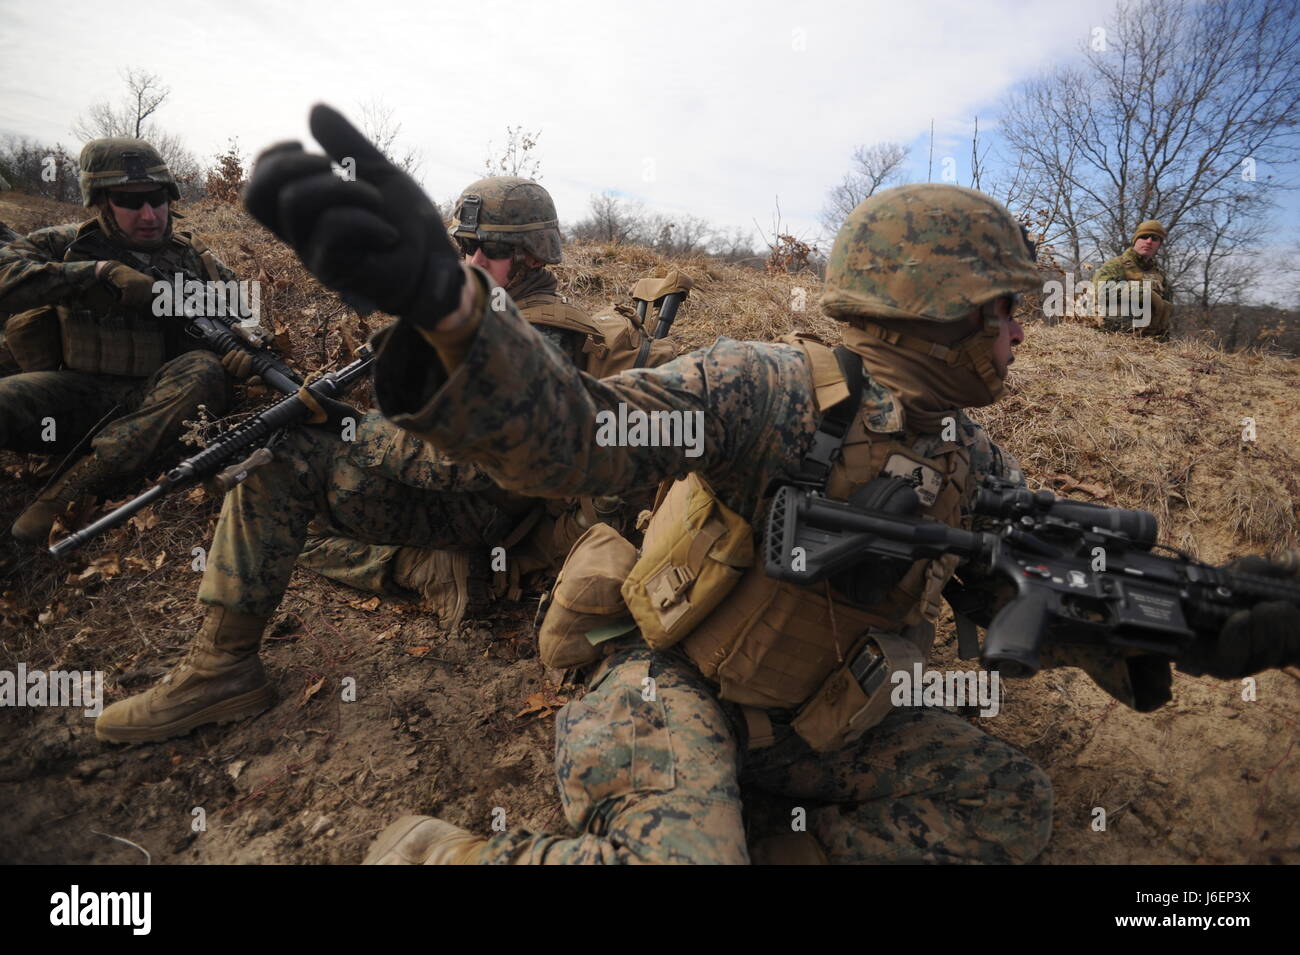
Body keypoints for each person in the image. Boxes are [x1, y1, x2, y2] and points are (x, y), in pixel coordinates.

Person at [243, 106, 1300, 864]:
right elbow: (581, 439)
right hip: (670, 691)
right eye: (1006, 311)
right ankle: (440, 851)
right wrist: (462, 320)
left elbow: (1020, 611)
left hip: (828, 722)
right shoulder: (765, 387)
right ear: (939, 310)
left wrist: (1201, 632)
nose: (1023, 333)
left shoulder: (969, 464)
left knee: (1006, 804)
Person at [93, 177, 664, 744]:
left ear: (528, 254)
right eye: (461, 246)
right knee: (286, 514)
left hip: (492, 511)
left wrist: (348, 426)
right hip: (482, 503)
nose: (465, 258)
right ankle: (425, 570)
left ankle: (220, 670)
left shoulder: (536, 336)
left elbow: (462, 461)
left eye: (481, 250)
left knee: (280, 463)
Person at [0, 137, 256, 545]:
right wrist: (93, 274)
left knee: (204, 369)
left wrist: (245, 355)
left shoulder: (198, 260)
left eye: (157, 199)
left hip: (154, 405)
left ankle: (67, 495)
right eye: (130, 202)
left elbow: (249, 322)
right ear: (101, 202)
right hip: (73, 395)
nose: (150, 214)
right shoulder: (65, 244)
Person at [1093, 219, 1171, 339]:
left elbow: (1166, 305)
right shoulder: (1116, 265)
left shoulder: (1159, 274)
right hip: (1117, 336)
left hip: (1151, 339)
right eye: (1144, 237)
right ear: (1135, 240)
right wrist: (1145, 294)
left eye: (1155, 239)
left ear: (1159, 244)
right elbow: (1102, 291)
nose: (1149, 241)